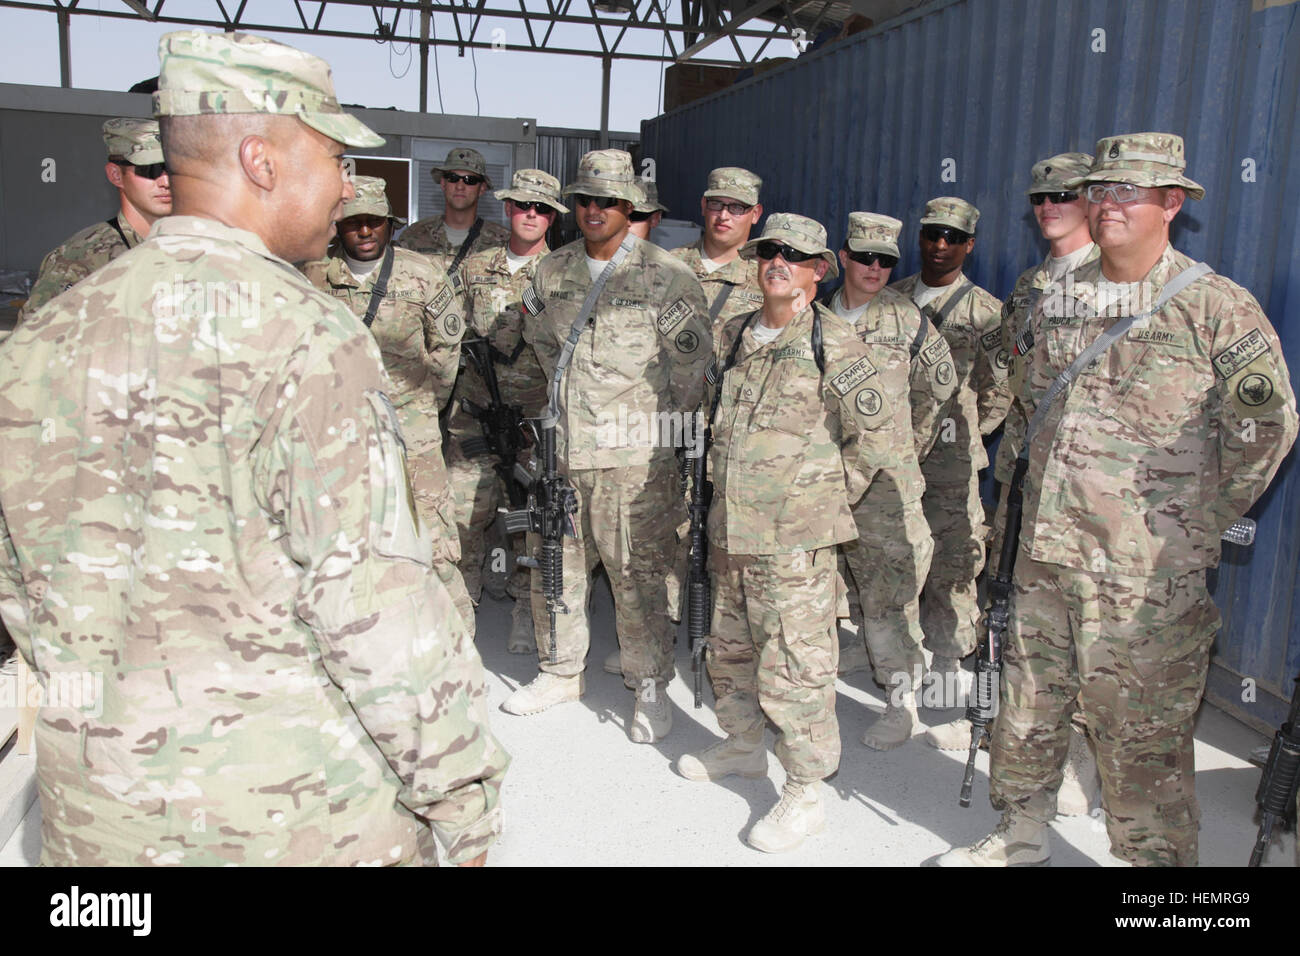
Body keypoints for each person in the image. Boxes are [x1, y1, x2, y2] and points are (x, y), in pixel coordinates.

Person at [0, 29, 508, 867]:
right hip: (291, 816)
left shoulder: (42, 336)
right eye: (337, 158)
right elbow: (372, 609)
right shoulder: (308, 337)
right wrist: (462, 797)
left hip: (103, 823)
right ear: (261, 160)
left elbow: (24, 592)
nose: (350, 187)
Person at [936, 132, 1297, 867]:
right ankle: (1021, 829)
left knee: (1141, 738)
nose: (1107, 205)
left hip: (1142, 580)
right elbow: (1027, 403)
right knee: (1028, 703)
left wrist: (1191, 521)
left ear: (1172, 201)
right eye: (1098, 190)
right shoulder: (1051, 297)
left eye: (1127, 190)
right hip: (1040, 553)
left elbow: (1266, 428)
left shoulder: (1215, 308)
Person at [674, 214, 903, 852]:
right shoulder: (735, 332)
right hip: (730, 531)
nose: (779, 262)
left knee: (796, 667)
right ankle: (743, 746)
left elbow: (875, 439)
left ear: (818, 269)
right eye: (770, 251)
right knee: (732, 650)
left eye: (795, 255)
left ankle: (805, 791)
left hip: (795, 543)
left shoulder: (836, 344)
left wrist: (820, 500)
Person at [503, 149, 709, 746]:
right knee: (557, 569)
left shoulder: (668, 277)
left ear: (631, 207)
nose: (595, 211)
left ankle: (648, 686)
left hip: (635, 465)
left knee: (637, 578)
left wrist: (666, 445)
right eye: (585, 200)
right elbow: (542, 346)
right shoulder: (550, 273)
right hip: (564, 455)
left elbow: (693, 371)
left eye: (609, 202)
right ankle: (560, 671)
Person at [924, 154, 1100, 819]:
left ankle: (1078, 756)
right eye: (1040, 195)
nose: (1049, 204)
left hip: (1084, 498)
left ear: (1091, 199)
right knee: (1023, 622)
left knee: (1083, 627)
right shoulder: (1028, 286)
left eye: (1064, 194)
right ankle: (1025, 747)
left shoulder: (1117, 282)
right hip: (1023, 485)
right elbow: (999, 372)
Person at [301, 174, 473, 625]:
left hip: (412, 433)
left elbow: (447, 349)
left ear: (390, 225)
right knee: (343, 537)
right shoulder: (314, 274)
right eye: (353, 222)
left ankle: (456, 637)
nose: (363, 231)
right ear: (338, 225)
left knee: (433, 538)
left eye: (374, 222)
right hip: (338, 433)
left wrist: (420, 404)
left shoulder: (422, 274)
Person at [823, 212, 955, 748]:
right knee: (821, 588)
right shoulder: (813, 316)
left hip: (883, 487)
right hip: (822, 480)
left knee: (890, 597)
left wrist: (904, 449)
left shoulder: (911, 321)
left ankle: (901, 703)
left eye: (886, 260)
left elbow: (936, 394)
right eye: (865, 256)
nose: (875, 267)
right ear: (844, 258)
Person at [889, 198, 1010, 680]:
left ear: (970, 245)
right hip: (892, 451)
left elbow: (999, 390)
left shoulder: (987, 313)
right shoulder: (890, 298)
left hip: (950, 461)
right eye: (933, 234)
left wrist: (961, 437)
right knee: (887, 547)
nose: (941, 246)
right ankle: (888, 644)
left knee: (952, 554)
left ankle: (945, 654)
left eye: (953, 238)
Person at [447, 169, 564, 651]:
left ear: (553, 218)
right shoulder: (475, 268)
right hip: (475, 415)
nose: (530, 214)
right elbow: (448, 334)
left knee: (529, 520)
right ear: (508, 209)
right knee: (461, 512)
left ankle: (524, 608)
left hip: (535, 424)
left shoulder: (565, 275)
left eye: (540, 209)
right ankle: (459, 605)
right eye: (522, 205)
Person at [20, 117, 172, 319]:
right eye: (150, 170)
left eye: (173, 169)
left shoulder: (201, 246)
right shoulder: (80, 260)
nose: (166, 181)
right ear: (116, 175)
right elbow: (34, 342)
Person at [670, 167, 766, 333]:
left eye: (737, 207)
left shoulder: (765, 279)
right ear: (703, 205)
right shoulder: (668, 265)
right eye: (716, 204)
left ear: (756, 214)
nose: (723, 215)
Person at [397, 146, 509, 270]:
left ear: (482, 188)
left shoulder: (502, 242)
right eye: (453, 178)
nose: (460, 186)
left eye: (470, 180)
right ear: (443, 184)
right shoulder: (414, 236)